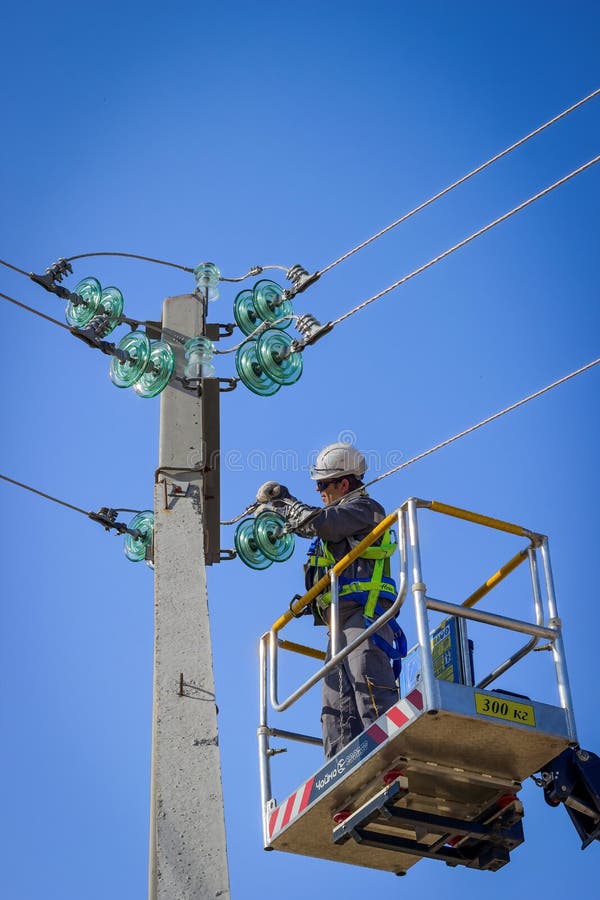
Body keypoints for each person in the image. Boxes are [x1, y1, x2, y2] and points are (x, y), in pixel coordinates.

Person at [256, 442, 406, 759]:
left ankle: (390, 754)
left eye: (323, 484)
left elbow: (321, 524)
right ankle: (341, 772)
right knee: (334, 706)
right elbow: (317, 525)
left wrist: (284, 503)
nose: (319, 489)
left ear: (344, 483)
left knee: (369, 685)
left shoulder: (366, 510)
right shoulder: (338, 515)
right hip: (338, 627)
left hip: (364, 618)